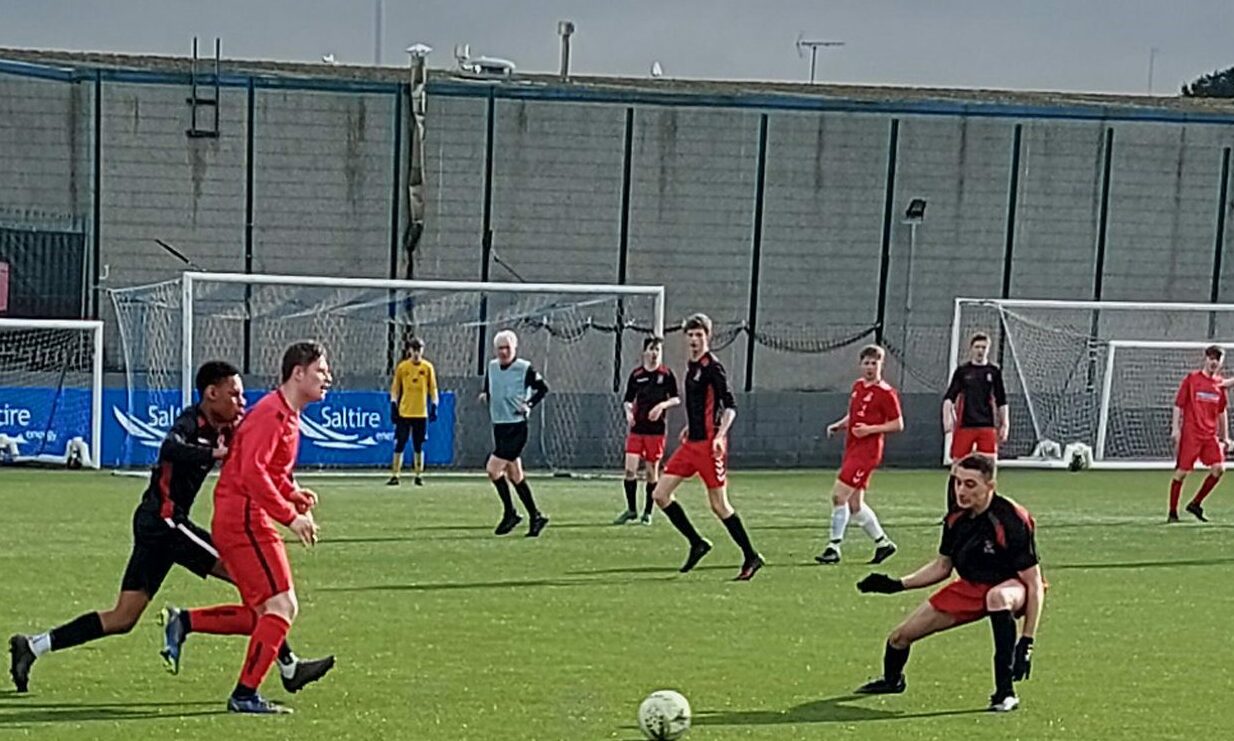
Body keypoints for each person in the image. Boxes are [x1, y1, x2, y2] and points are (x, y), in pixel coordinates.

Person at [7, 362, 331, 695]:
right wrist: (213, 453)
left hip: (161, 525)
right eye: (234, 394)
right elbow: (170, 448)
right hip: (164, 521)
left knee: (123, 618)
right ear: (211, 393)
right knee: (256, 583)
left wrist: (291, 491)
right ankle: (283, 664)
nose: (241, 402)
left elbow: (259, 459)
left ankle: (33, 647)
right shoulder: (191, 421)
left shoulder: (233, 426)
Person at [854, 453, 1045, 713]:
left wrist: (1026, 642)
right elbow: (943, 566)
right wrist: (897, 584)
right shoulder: (956, 517)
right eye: (958, 482)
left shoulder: (1011, 517)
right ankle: (892, 681)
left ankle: (1005, 693)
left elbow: (1033, 583)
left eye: (970, 484)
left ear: (990, 486)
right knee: (900, 637)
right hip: (971, 587)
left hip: (1012, 586)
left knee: (996, 598)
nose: (961, 491)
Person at [209, 342, 330, 714]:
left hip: (246, 515)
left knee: (265, 610)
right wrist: (289, 516)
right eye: (320, 371)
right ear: (298, 373)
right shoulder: (271, 415)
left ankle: (184, 622)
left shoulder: (286, 415)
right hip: (243, 518)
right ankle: (245, 694)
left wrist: (292, 493)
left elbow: (269, 471)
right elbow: (250, 472)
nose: (328, 378)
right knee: (281, 605)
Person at [651, 313, 763, 581]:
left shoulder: (713, 367)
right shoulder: (692, 366)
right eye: (690, 335)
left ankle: (751, 556)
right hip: (692, 444)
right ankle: (697, 542)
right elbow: (701, 405)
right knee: (659, 494)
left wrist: (719, 436)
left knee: (719, 505)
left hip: (710, 447)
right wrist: (691, 426)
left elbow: (730, 406)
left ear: (708, 337)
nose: (694, 339)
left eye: (699, 335)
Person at [817, 345, 902, 565]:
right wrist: (839, 425)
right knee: (855, 505)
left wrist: (870, 430)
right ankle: (883, 544)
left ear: (881, 365)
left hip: (868, 452)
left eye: (875, 363)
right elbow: (854, 416)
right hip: (852, 448)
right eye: (866, 363)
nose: (870, 367)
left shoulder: (886, 392)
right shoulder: (858, 387)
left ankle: (833, 547)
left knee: (838, 496)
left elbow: (897, 424)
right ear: (860, 365)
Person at [481, 330, 550, 537]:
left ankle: (510, 512)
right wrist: (485, 395)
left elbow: (543, 388)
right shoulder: (492, 367)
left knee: (493, 470)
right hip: (499, 425)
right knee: (515, 475)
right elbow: (489, 386)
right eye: (500, 348)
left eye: (507, 348)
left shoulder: (524, 368)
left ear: (514, 348)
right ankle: (536, 516)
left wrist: (528, 405)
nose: (503, 352)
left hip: (516, 427)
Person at [614, 337, 680, 525]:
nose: (654, 353)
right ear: (645, 352)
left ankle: (647, 512)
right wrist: (628, 412)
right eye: (651, 349)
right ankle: (631, 509)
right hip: (637, 430)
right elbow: (627, 400)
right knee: (630, 470)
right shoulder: (636, 375)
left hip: (656, 431)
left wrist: (661, 406)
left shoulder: (666, 375)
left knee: (652, 473)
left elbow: (676, 399)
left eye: (657, 350)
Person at [942, 332, 1009, 512]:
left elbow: (1001, 399)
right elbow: (949, 397)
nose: (980, 351)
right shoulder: (963, 372)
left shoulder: (993, 372)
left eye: (984, 348)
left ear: (988, 349)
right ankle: (954, 506)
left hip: (987, 425)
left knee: (990, 465)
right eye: (977, 347)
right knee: (957, 466)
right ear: (971, 349)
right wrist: (947, 418)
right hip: (965, 425)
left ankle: (988, 505)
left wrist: (1005, 424)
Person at [1169, 345, 1229, 522]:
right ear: (1206, 359)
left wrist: (1225, 436)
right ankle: (1172, 512)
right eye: (1211, 358)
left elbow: (1221, 411)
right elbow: (1179, 404)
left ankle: (1195, 503)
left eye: (1217, 359)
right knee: (1182, 473)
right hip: (1191, 435)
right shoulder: (1192, 379)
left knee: (1219, 469)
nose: (1214, 362)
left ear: (1220, 363)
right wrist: (1175, 428)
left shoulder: (1220, 385)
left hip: (1210, 436)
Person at [388, 337, 439, 486]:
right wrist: (393, 405)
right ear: (409, 350)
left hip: (420, 413)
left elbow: (433, 388)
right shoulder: (403, 368)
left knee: (419, 445)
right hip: (405, 412)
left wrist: (434, 405)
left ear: (422, 350)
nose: (416, 353)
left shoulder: (427, 368)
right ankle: (395, 475)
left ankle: (418, 475)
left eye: (419, 350)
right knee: (400, 443)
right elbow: (396, 388)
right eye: (414, 350)